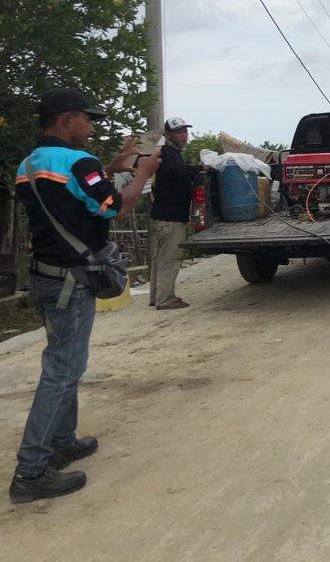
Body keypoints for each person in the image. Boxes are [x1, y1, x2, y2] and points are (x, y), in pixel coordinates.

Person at [10, 89, 160, 503]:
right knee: (61, 370)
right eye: (86, 120)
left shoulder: (28, 164)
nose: (91, 127)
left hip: (45, 274)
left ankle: (62, 441)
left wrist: (111, 167)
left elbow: (69, 203)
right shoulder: (79, 162)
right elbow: (115, 209)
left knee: (66, 364)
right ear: (66, 120)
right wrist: (143, 172)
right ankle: (31, 472)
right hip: (71, 280)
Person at [149, 116, 202, 310]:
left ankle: (157, 297)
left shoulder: (172, 152)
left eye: (185, 132)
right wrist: (200, 168)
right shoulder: (168, 152)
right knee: (170, 258)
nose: (184, 135)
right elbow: (177, 170)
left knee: (160, 258)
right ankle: (165, 300)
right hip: (170, 218)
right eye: (179, 132)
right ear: (168, 135)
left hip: (163, 216)